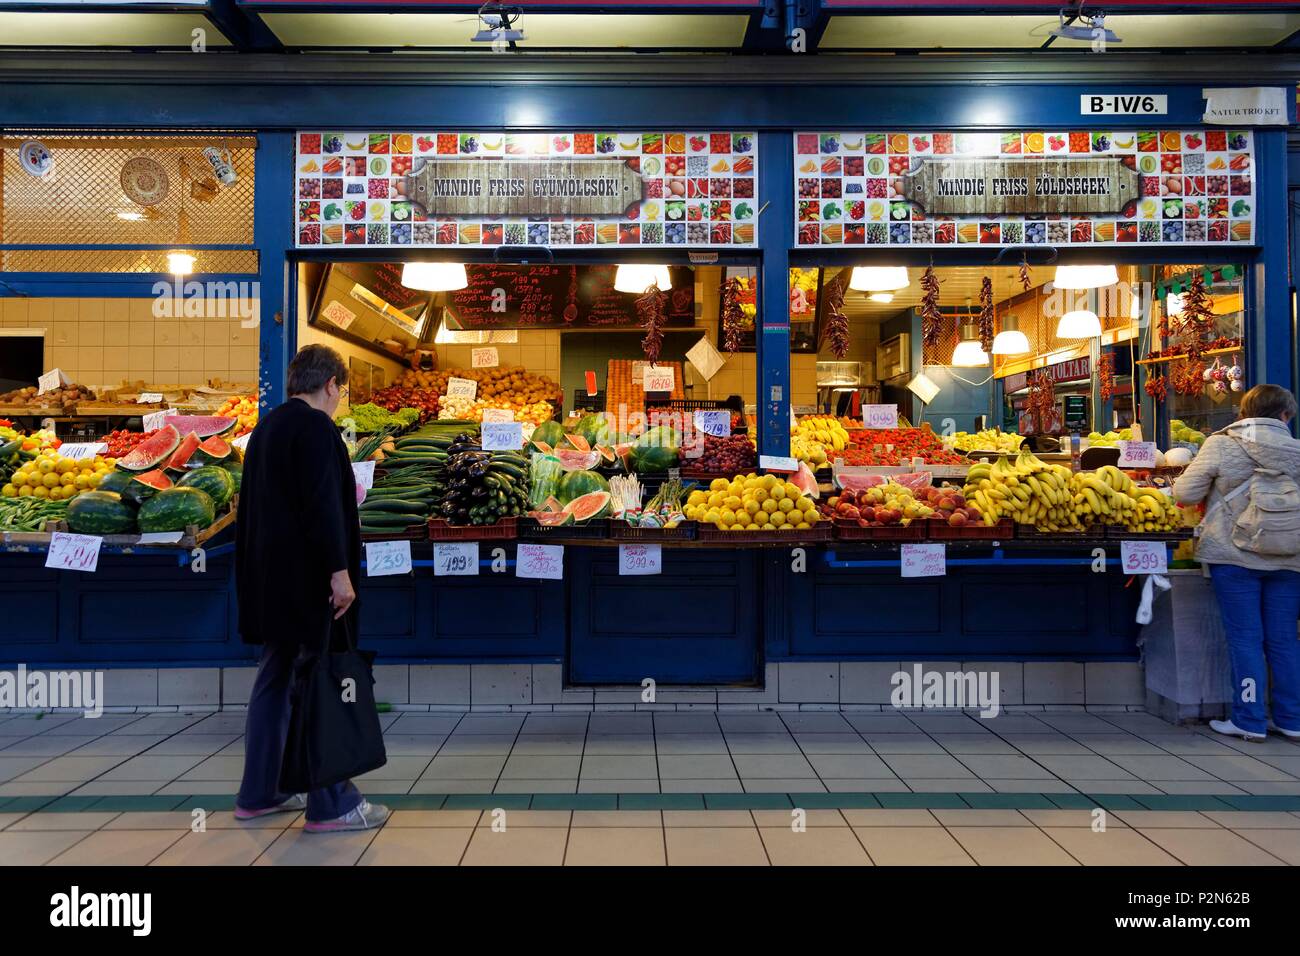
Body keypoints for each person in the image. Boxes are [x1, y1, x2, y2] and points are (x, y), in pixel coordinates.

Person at [233, 344, 389, 831]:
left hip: (267, 581)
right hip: (307, 582)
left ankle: (260, 792)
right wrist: (338, 574)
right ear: (332, 386)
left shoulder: (268, 427)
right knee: (318, 682)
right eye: (340, 391)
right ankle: (333, 802)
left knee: (274, 681)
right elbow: (322, 506)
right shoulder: (318, 429)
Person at [1173, 384, 1300, 742]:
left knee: (1245, 639)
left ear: (1244, 412)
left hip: (1233, 554)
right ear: (1285, 415)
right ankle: (1291, 719)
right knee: (1284, 640)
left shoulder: (1221, 443)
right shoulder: (1296, 451)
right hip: (1287, 556)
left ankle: (1249, 719)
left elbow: (1185, 493)